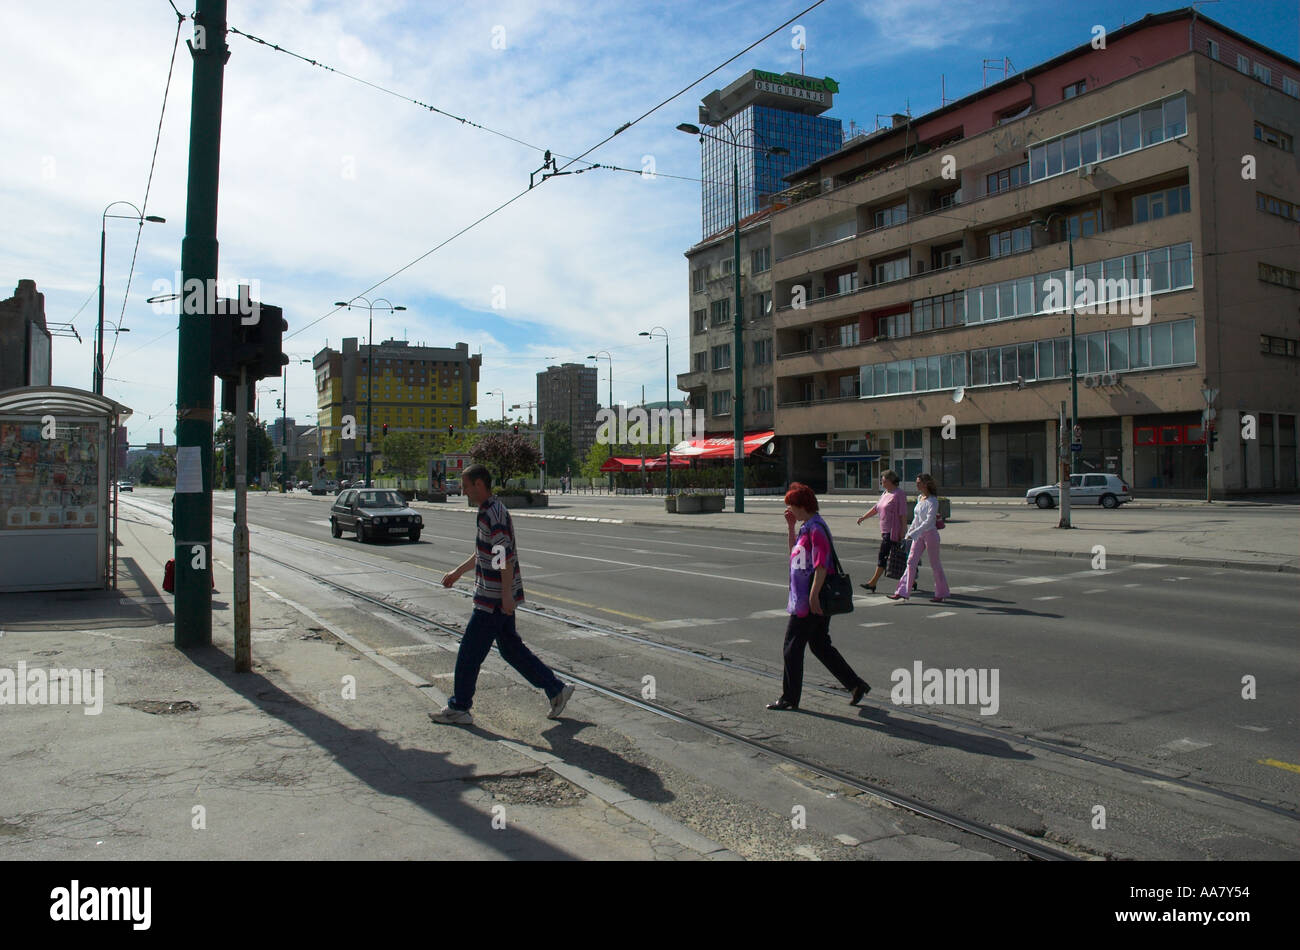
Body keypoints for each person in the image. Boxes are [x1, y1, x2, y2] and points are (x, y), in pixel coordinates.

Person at [429, 464, 574, 725]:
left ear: (479, 485)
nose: (463, 491)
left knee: (469, 654)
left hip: (492, 600)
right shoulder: (488, 510)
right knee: (511, 650)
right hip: (495, 595)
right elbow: (484, 553)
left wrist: (506, 596)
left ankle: (459, 707)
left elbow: (503, 557)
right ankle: (555, 689)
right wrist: (458, 572)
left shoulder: (492, 514)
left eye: (465, 486)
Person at [766, 482, 871, 711]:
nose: (789, 510)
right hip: (806, 597)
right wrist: (791, 528)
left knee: (792, 647)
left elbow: (822, 566)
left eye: (791, 506)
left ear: (802, 506)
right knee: (820, 645)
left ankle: (789, 698)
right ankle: (855, 685)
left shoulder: (816, 529)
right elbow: (795, 555)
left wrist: (813, 597)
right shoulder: (807, 527)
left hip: (809, 600)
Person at [889, 472, 950, 603]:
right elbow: (916, 519)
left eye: (919, 483)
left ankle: (941, 593)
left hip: (930, 534)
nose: (916, 485)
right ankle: (902, 592)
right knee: (911, 562)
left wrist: (914, 532)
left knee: (935, 564)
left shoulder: (933, 500)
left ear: (926, 484)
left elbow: (929, 521)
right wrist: (908, 533)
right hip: (919, 534)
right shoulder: (920, 498)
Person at [856, 469, 905, 593]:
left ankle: (872, 583)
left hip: (893, 531)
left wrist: (903, 532)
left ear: (890, 481)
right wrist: (863, 517)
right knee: (896, 558)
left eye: (883, 481)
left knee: (883, 556)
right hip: (885, 531)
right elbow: (876, 508)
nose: (881, 483)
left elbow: (903, 514)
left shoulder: (899, 494)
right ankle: (911, 581)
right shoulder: (885, 493)